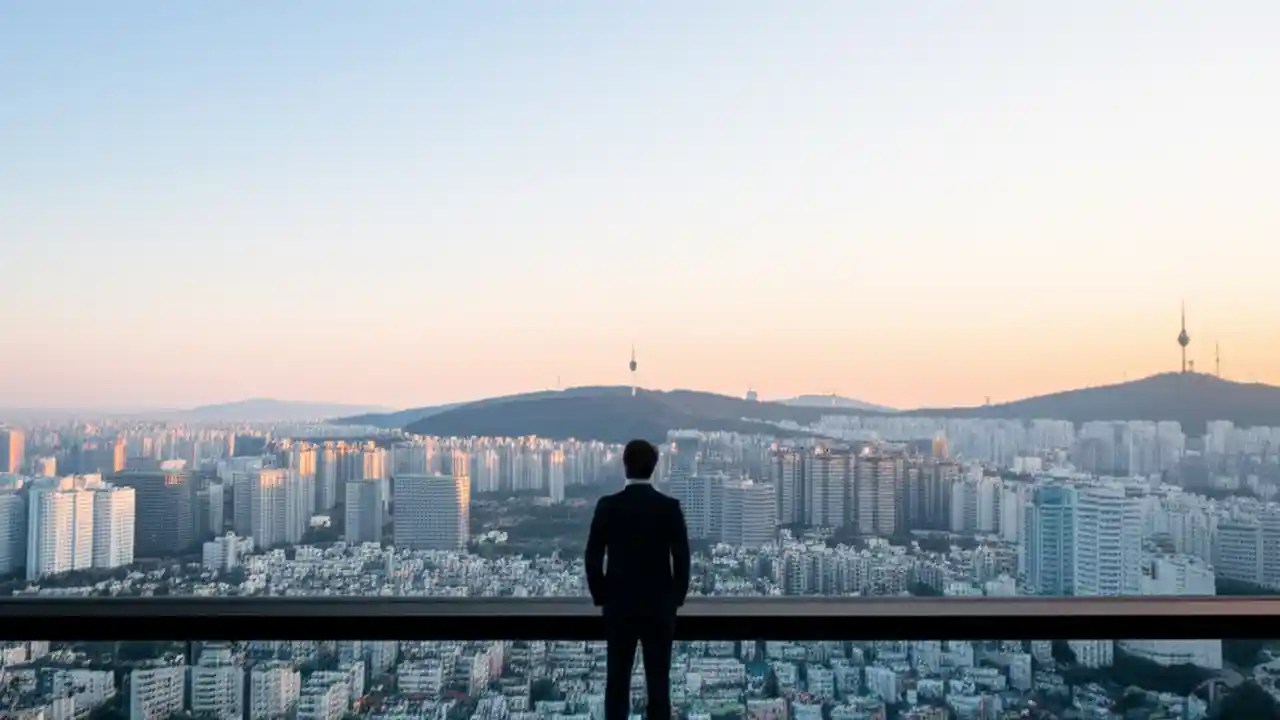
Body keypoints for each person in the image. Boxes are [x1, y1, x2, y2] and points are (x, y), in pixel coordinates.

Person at [585, 439, 691, 720]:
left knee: (617, 681)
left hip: (619, 606)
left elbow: (593, 556)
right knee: (658, 682)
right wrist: (674, 599)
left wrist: (602, 596)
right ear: (654, 468)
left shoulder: (608, 506)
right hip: (659, 608)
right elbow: (682, 559)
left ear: (625, 465)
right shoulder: (669, 508)